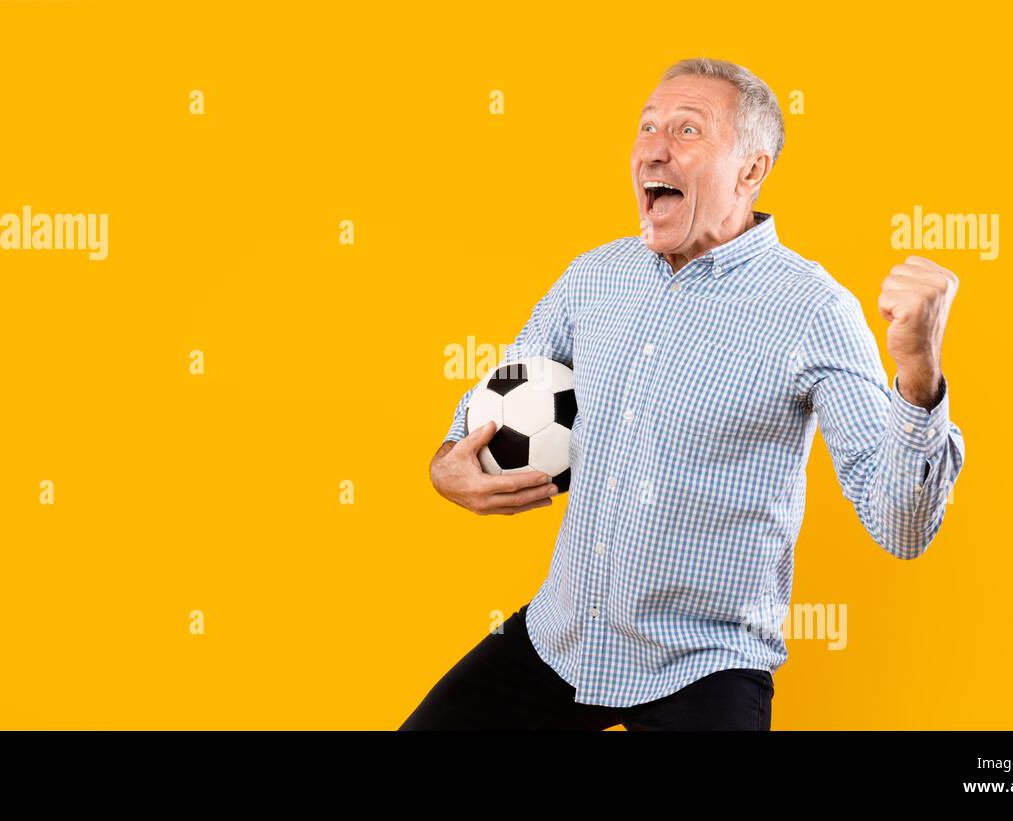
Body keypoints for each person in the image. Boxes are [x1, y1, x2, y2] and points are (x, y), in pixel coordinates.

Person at [402, 58, 965, 730]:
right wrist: (447, 463)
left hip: (702, 667)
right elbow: (483, 408)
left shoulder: (814, 310)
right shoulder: (594, 278)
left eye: (687, 129)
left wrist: (919, 377)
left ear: (750, 171)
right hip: (562, 639)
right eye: (646, 127)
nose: (653, 148)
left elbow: (900, 526)